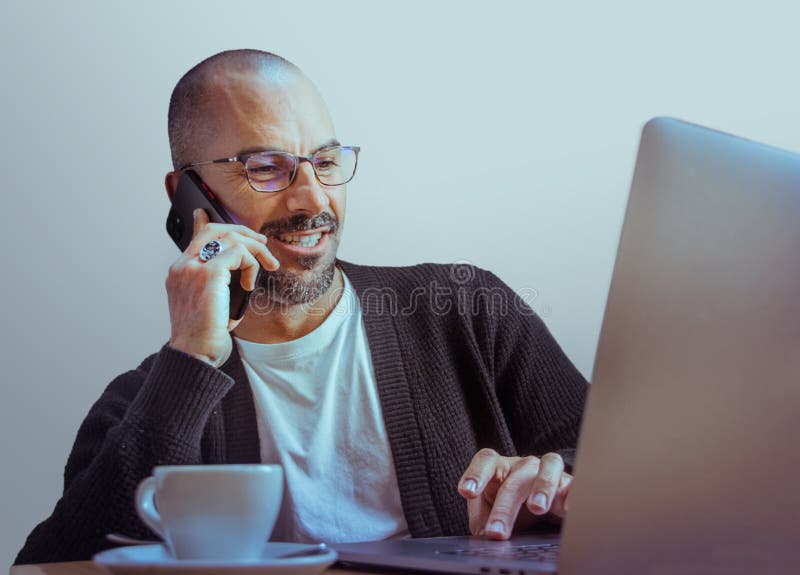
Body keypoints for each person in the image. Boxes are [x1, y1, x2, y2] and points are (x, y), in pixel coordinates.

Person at [15, 49, 588, 564]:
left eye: (328, 161)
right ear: (188, 194)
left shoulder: (467, 309)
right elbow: (58, 561)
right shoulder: (150, 398)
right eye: (266, 167)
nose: (314, 198)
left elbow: (627, 466)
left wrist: (556, 486)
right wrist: (190, 358)